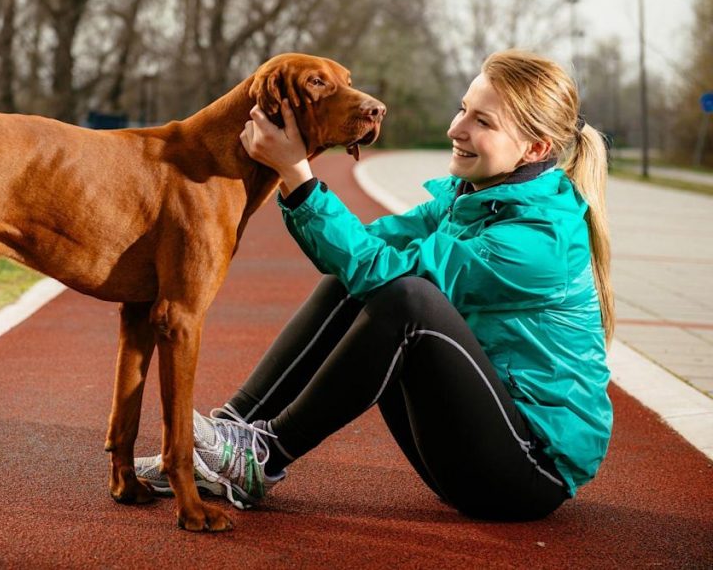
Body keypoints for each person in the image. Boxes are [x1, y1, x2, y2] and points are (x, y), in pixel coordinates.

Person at [135, 50, 614, 521]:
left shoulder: (539, 239)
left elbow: (389, 276)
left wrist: (297, 175)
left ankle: (264, 456)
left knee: (407, 297)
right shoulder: (468, 200)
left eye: (482, 122)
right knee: (357, 281)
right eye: (463, 109)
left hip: (526, 471)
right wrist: (295, 171)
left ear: (535, 149)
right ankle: (231, 433)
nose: (456, 128)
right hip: (470, 444)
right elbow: (362, 252)